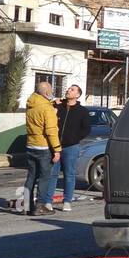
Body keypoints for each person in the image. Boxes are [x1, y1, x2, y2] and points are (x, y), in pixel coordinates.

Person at [49, 84, 92, 211]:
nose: (68, 90)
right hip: (55, 147)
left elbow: (87, 129)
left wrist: (74, 138)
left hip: (71, 147)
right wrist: (55, 102)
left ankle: (67, 201)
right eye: (68, 89)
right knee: (52, 174)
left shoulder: (82, 111)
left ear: (77, 95)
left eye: (72, 89)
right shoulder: (58, 106)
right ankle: (48, 201)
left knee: (69, 174)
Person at [23, 82, 61, 215]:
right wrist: (57, 149)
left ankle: (26, 205)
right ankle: (40, 206)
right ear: (46, 93)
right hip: (44, 147)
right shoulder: (46, 109)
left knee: (31, 176)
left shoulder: (31, 104)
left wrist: (52, 103)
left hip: (31, 145)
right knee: (45, 177)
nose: (52, 93)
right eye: (51, 90)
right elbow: (51, 131)